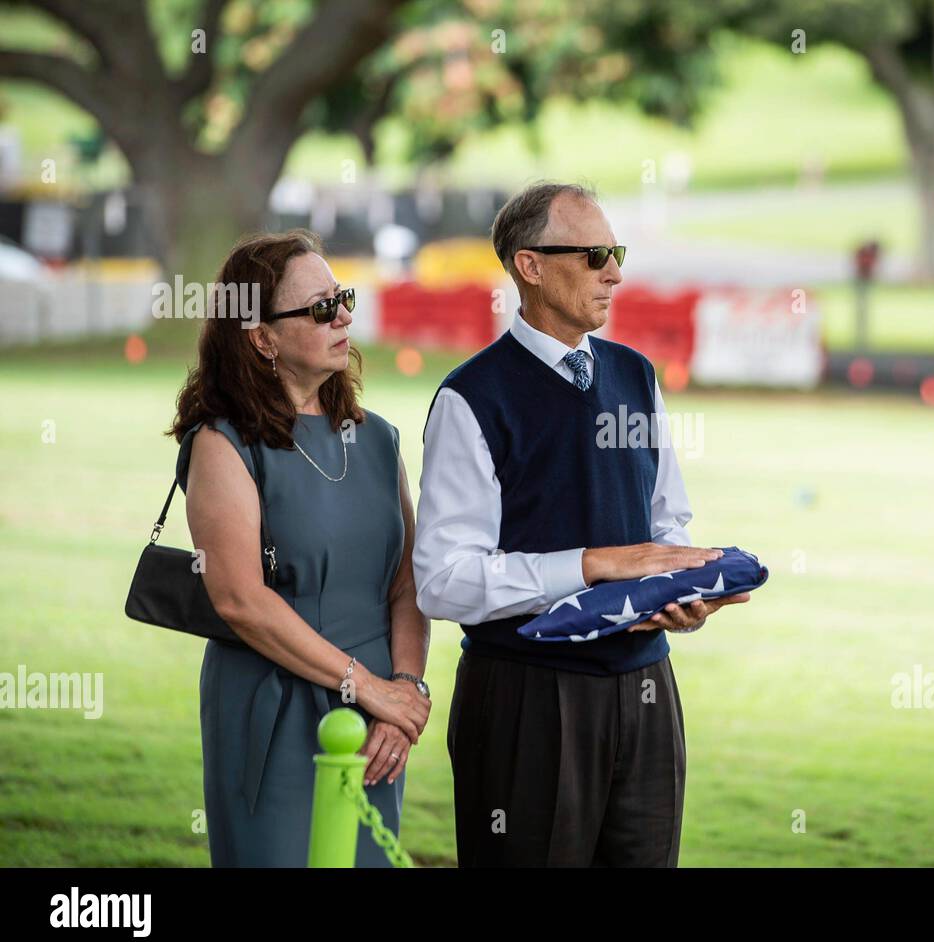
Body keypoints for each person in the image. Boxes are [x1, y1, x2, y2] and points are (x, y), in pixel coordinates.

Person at [413, 182, 750, 867]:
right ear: (529, 265)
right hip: (525, 700)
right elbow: (443, 582)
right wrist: (591, 566)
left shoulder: (635, 375)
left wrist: (681, 592)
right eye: (595, 254)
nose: (615, 272)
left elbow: (666, 524)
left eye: (616, 252)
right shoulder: (470, 397)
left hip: (648, 690)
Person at [169, 229, 431, 866]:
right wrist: (364, 686)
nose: (344, 315)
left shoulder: (378, 440)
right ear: (262, 336)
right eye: (319, 308)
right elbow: (238, 600)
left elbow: (408, 583)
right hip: (271, 702)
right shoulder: (222, 444)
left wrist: (404, 693)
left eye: (342, 298)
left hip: (378, 722)